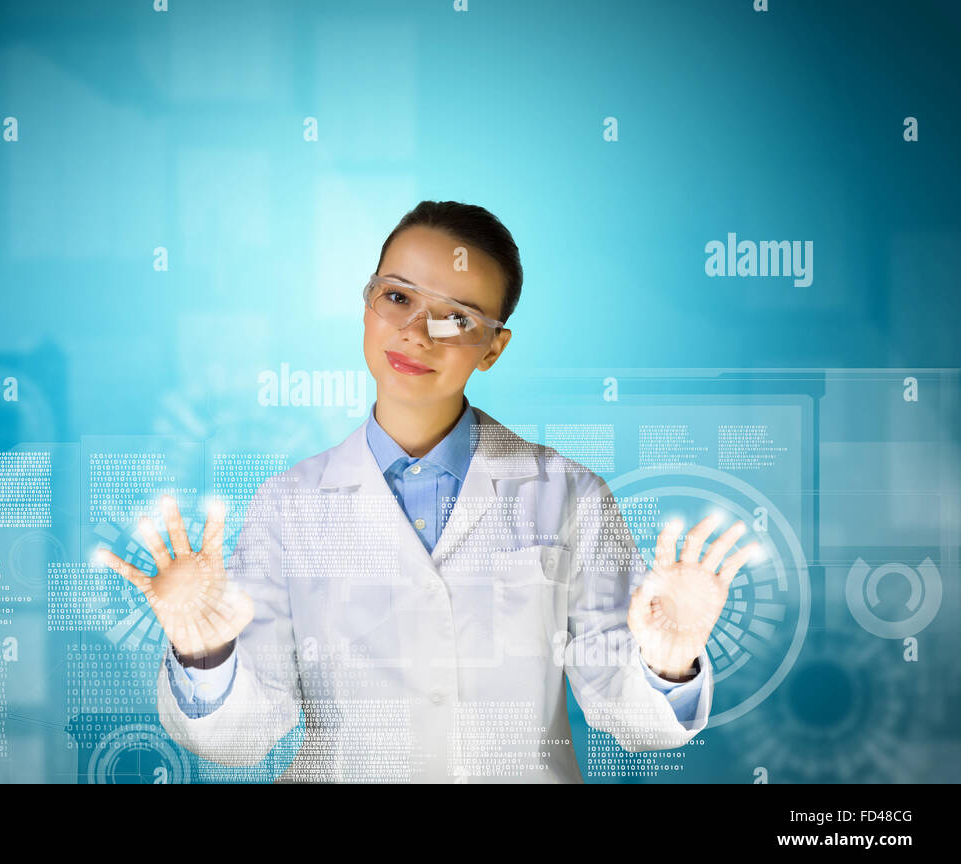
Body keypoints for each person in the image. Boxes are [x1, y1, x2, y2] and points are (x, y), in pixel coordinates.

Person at [97, 200, 760, 783]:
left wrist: (669, 663)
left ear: (494, 348)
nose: (417, 331)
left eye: (457, 318)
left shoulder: (570, 496)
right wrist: (203, 652)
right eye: (398, 297)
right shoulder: (290, 504)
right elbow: (241, 740)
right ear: (366, 303)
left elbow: (635, 721)